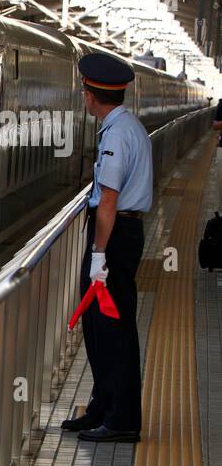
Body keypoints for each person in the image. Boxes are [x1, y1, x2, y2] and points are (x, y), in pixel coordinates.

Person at [60, 52, 153, 443]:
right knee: (100, 327)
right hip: (120, 236)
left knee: (112, 329)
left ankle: (122, 420)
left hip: (114, 238)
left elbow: (109, 202)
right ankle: (103, 406)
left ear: (90, 94)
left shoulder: (116, 134)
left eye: (83, 91)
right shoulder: (126, 126)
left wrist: (99, 255)